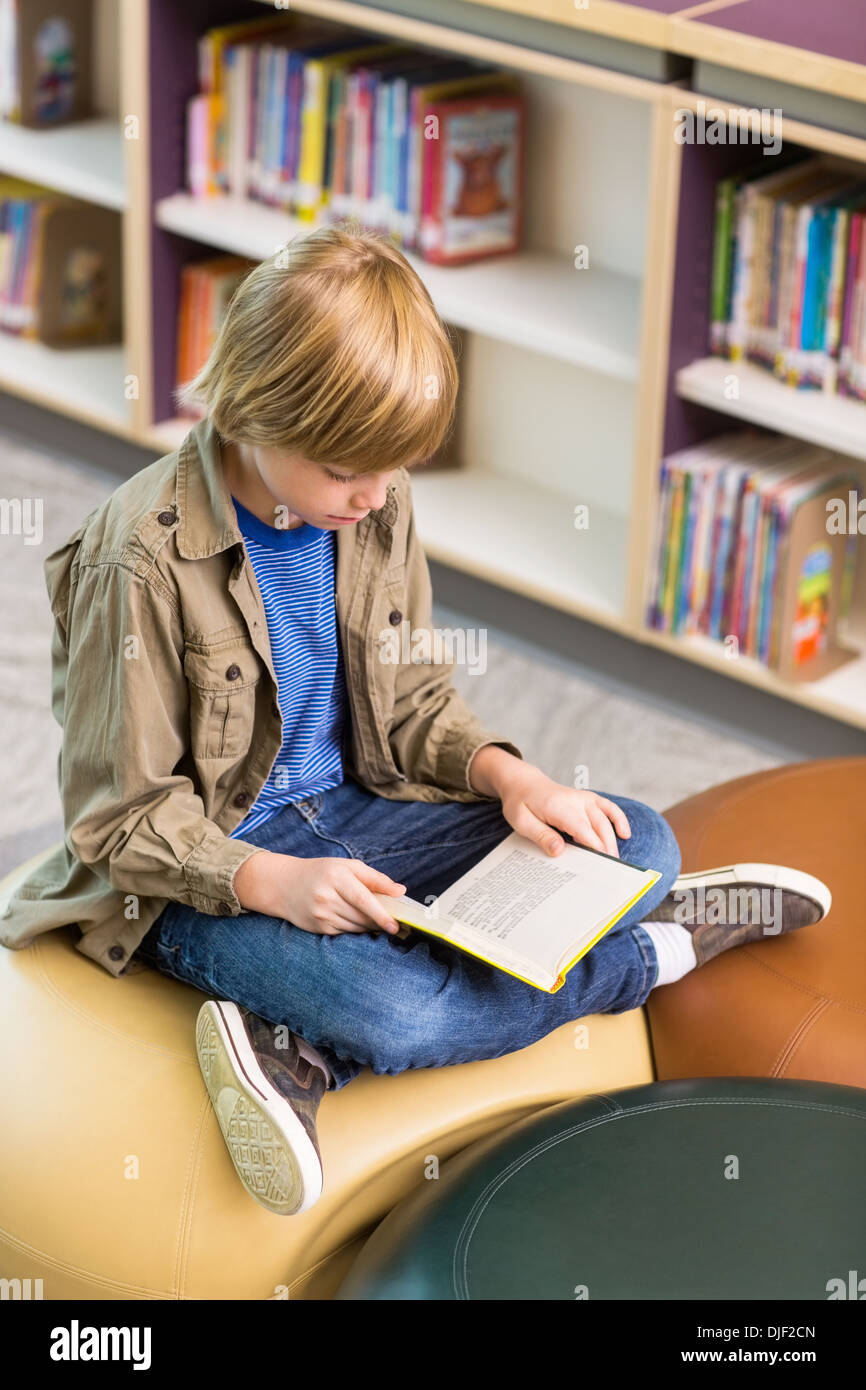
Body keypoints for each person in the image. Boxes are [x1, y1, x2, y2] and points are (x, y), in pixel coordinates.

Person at [1, 228, 831, 1218]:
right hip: (203, 881)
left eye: (394, 469)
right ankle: (649, 955)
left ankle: (300, 1043)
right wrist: (272, 881)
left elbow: (412, 705)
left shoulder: (369, 502)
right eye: (352, 469)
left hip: (364, 809)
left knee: (633, 839)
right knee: (393, 1014)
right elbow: (116, 819)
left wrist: (504, 777)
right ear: (257, 412)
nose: (379, 495)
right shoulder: (134, 561)